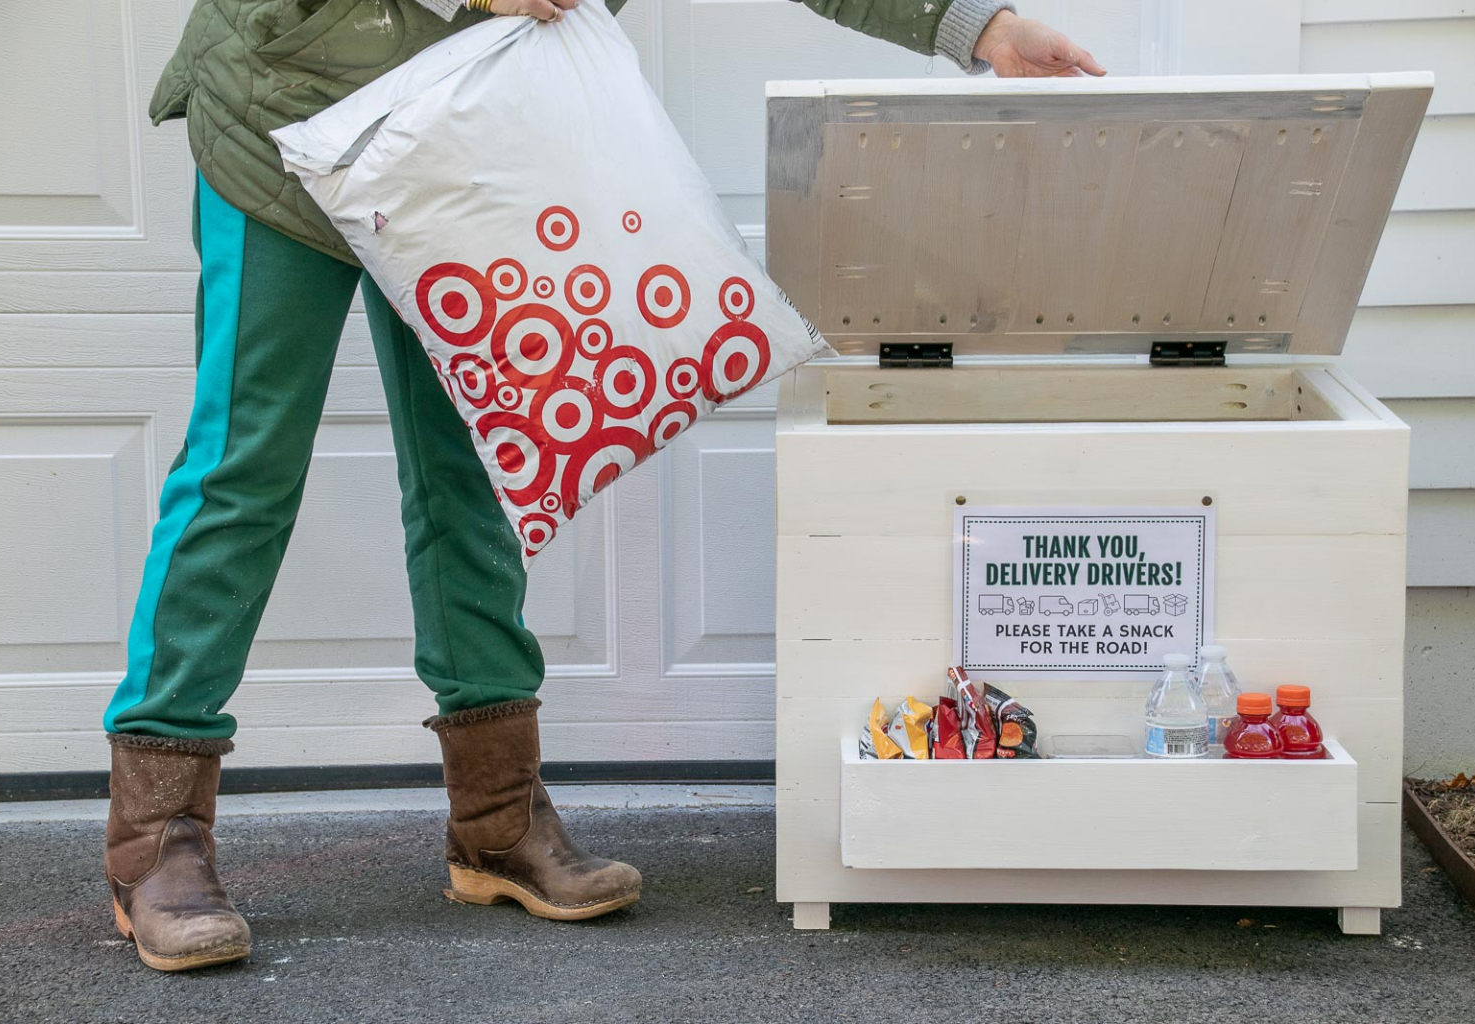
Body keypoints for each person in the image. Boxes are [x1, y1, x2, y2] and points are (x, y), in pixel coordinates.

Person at [104, 0, 1104, 973]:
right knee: (245, 467)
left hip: (463, 144)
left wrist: (978, 26)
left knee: (476, 468)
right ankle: (156, 839)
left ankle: (496, 821)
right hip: (287, 119)